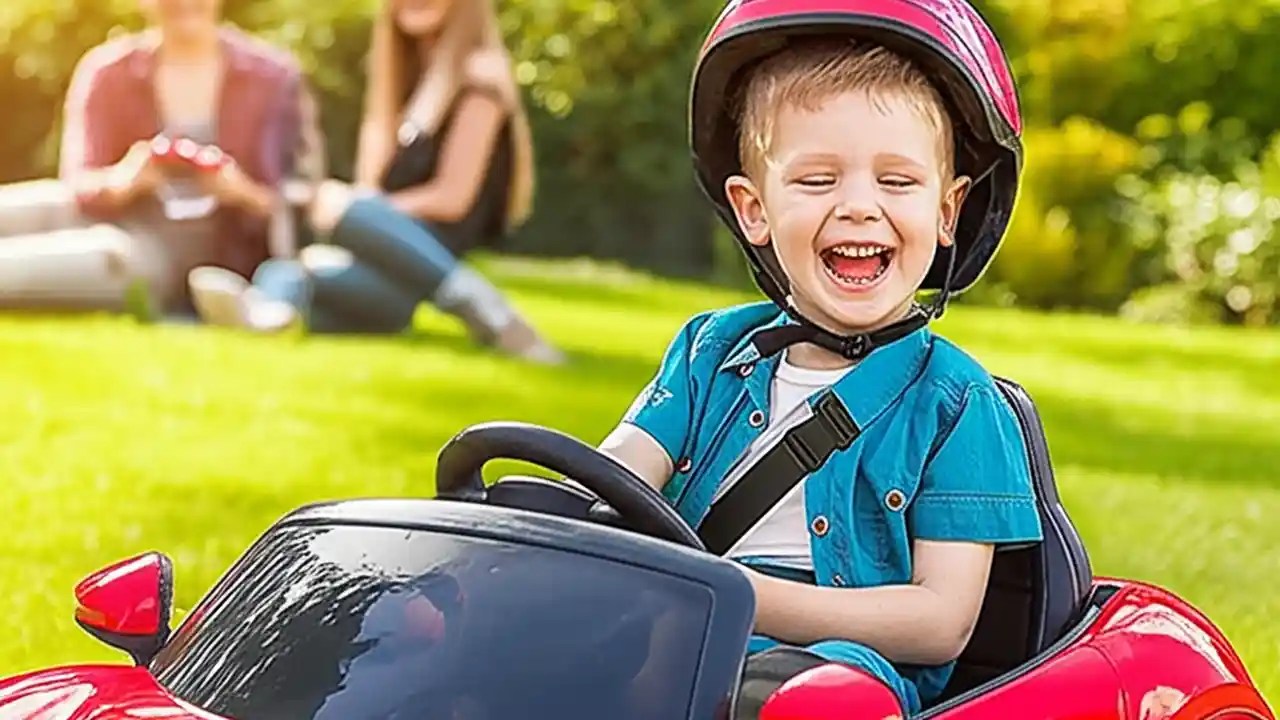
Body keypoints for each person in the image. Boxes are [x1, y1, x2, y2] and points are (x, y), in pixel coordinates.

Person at [598, 0, 1043, 717]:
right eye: (817, 180)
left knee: (809, 703)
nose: (860, 206)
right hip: (672, 631)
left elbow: (941, 621)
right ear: (754, 209)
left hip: (831, 671)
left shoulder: (958, 402)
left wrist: (740, 596)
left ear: (947, 211)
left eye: (896, 182)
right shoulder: (709, 353)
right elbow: (616, 479)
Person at [186, 0, 562, 364]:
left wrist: (358, 212)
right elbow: (373, 186)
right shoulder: (403, 80)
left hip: (434, 250)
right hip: (395, 284)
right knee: (286, 271)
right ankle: (268, 314)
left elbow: (452, 199)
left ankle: (487, 309)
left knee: (340, 202)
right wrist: (360, 212)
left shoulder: (481, 76)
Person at [0, 0, 321, 319]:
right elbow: (78, 180)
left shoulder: (273, 78)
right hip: (109, 208)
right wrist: (124, 180)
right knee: (17, 207)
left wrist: (242, 192)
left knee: (58, 261)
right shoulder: (108, 71)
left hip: (174, 249)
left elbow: (304, 200)